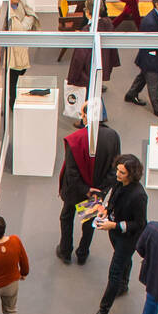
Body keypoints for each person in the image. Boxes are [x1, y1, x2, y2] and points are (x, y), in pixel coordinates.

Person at [90, 155, 148, 314]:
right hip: (115, 232)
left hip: (127, 238)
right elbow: (113, 201)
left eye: (122, 172)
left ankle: (103, 310)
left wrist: (114, 225)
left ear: (131, 174)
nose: (117, 174)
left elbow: (139, 223)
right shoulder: (118, 183)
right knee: (124, 259)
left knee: (114, 272)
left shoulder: (139, 196)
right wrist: (105, 211)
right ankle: (124, 284)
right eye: (118, 170)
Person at [57, 108, 120, 264]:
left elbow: (72, 172)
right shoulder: (112, 136)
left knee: (67, 217)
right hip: (97, 190)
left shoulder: (75, 139)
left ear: (86, 117)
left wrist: (85, 189)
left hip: (75, 191)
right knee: (88, 221)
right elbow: (114, 169)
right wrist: (99, 190)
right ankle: (83, 253)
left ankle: (65, 251)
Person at [6, 0, 40, 105]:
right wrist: (26, 21)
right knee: (13, 79)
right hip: (13, 53)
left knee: (19, 73)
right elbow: (21, 27)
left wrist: (26, 21)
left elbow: (30, 16)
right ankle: (11, 104)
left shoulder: (20, 5)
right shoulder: (9, 12)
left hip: (21, 47)